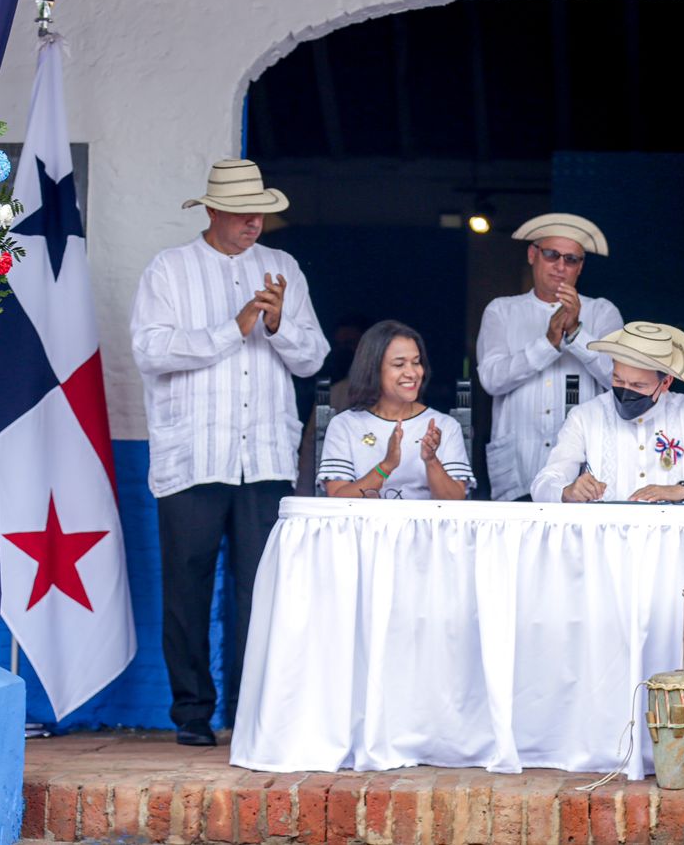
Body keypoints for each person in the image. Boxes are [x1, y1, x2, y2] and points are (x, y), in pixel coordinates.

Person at [129, 159, 328, 746]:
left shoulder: (284, 268)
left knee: (259, 589)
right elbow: (150, 351)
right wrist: (233, 327)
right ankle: (192, 714)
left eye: (260, 214)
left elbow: (313, 359)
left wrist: (278, 325)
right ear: (212, 210)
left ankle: (251, 710)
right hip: (193, 456)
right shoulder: (169, 269)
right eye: (243, 214)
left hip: (264, 457)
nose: (253, 224)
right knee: (187, 589)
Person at [476, 213, 623, 501]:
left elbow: (617, 378)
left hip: (583, 469)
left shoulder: (602, 312)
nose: (560, 266)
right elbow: (492, 380)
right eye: (551, 255)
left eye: (571, 259)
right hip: (517, 463)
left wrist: (576, 332)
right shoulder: (501, 310)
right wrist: (548, 343)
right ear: (533, 255)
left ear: (580, 267)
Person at [529, 322, 684, 503]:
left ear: (666, 382)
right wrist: (567, 491)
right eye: (618, 380)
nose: (626, 391)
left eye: (638, 385)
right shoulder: (584, 417)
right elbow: (543, 485)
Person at [317, 320, 476, 499]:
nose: (412, 373)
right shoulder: (345, 425)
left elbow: (455, 501)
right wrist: (386, 466)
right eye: (399, 364)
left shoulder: (444, 426)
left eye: (416, 362)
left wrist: (431, 460)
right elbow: (338, 498)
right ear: (373, 369)